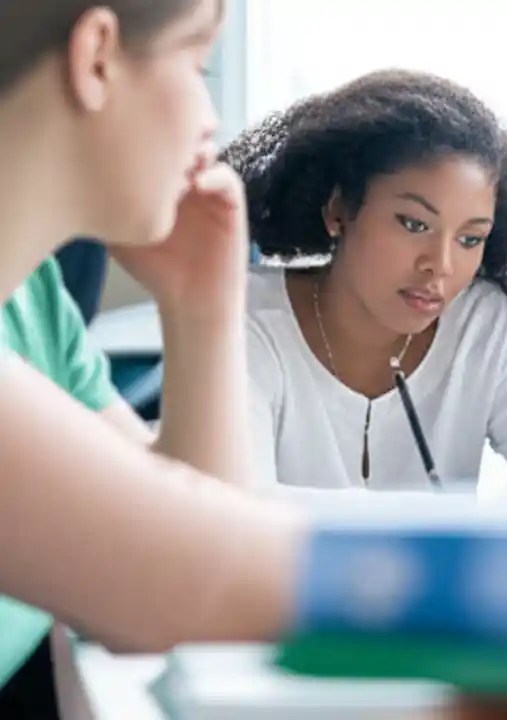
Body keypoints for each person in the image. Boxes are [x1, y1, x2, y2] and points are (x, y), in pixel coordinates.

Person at [0, 0, 303, 699]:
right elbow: (180, 581)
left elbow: (170, 571)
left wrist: (203, 308)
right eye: (196, 63)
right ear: (97, 57)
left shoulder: (31, 295)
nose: (211, 120)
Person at [222, 70, 507, 492]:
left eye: (470, 238)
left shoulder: (482, 325)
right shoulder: (241, 315)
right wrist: (442, 528)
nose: (442, 264)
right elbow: (231, 506)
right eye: (414, 224)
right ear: (338, 209)